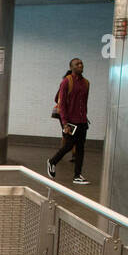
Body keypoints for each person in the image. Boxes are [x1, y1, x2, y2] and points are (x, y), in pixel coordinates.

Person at [47, 57, 91, 186]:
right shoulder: (67, 82)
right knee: (69, 145)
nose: (80, 65)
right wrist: (65, 123)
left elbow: (84, 102)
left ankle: (77, 175)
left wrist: (85, 117)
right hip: (70, 121)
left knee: (81, 148)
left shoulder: (86, 83)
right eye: (77, 64)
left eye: (81, 63)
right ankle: (52, 161)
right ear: (71, 67)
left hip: (82, 121)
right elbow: (61, 104)